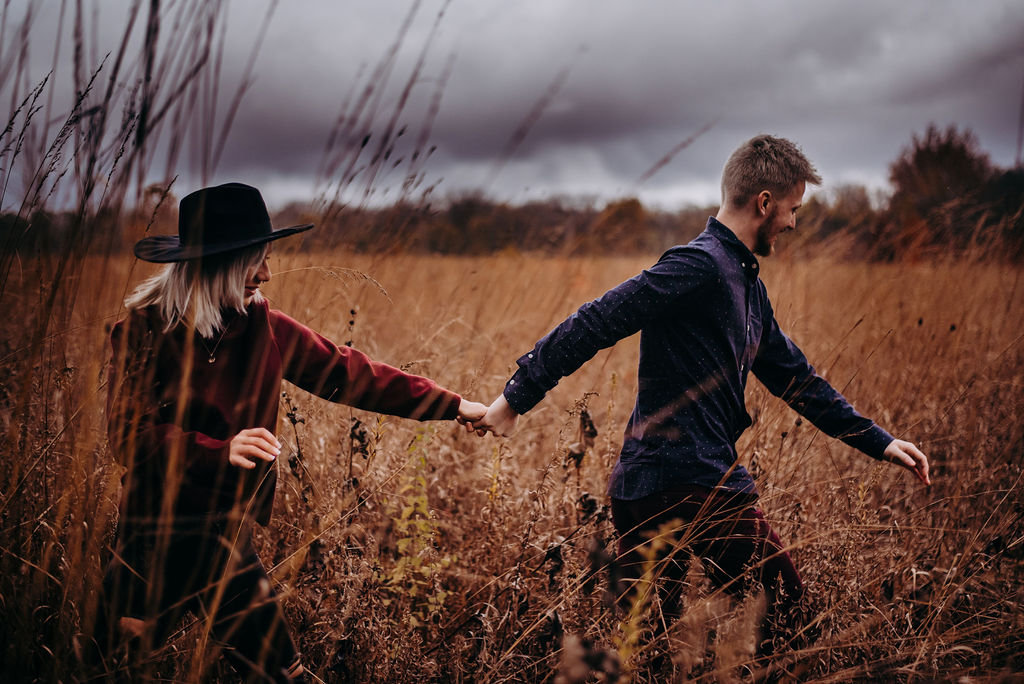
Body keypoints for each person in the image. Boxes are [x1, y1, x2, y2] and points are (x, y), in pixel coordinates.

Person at [472, 135, 930, 662]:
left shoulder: (747, 287)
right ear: (763, 202)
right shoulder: (701, 265)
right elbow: (598, 319)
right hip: (689, 485)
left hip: (652, 488)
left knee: (652, 655)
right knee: (786, 607)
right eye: (792, 209)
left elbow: (796, 379)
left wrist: (879, 442)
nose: (793, 224)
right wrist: (515, 398)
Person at [98, 182, 487, 682]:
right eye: (251, 261)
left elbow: (353, 375)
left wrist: (453, 405)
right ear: (207, 263)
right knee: (108, 663)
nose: (266, 274)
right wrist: (219, 451)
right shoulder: (141, 332)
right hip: (148, 535)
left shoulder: (266, 328)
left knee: (282, 672)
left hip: (221, 532)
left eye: (266, 257)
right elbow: (126, 435)